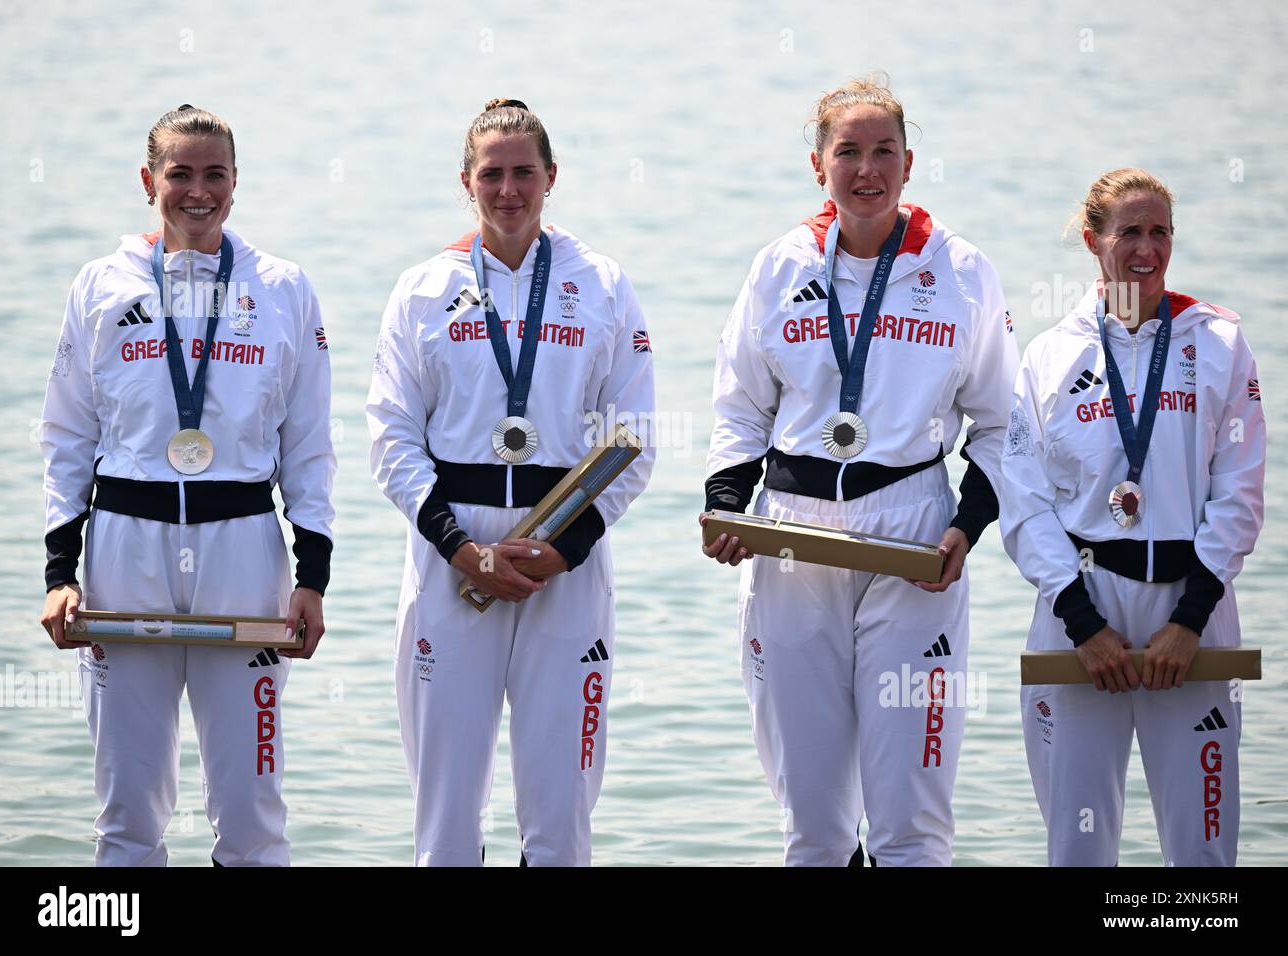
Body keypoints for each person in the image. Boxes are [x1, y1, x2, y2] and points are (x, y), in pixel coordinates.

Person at [701, 76, 1018, 866]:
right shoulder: (779, 267)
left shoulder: (962, 270)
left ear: (910, 164)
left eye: (884, 152)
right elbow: (740, 409)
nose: (866, 170)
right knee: (813, 827)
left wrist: (965, 528)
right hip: (791, 541)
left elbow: (1004, 424)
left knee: (911, 820)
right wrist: (726, 503)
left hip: (912, 544)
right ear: (819, 165)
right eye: (848, 151)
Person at [38, 105, 335, 867]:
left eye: (214, 175)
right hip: (122, 555)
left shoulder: (283, 288)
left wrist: (314, 578)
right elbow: (68, 437)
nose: (196, 192)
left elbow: (308, 447)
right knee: (127, 815)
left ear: (236, 183)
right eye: (180, 174)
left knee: (252, 815)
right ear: (149, 181)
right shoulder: (100, 285)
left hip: (243, 554)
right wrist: (57, 574)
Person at [366, 98, 655, 867]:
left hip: (562, 559)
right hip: (451, 560)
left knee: (559, 820)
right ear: (466, 180)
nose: (508, 190)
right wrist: (462, 550)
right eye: (491, 173)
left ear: (551, 177)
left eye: (524, 172)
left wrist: (565, 550)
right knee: (447, 821)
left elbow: (634, 442)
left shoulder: (601, 284)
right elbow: (390, 438)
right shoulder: (422, 289)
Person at [999, 168, 1264, 866]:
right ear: (1093, 240)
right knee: (1078, 852)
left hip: (1193, 612)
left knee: (1204, 859)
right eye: (1129, 233)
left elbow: (1240, 492)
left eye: (1161, 232)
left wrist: (1190, 619)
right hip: (1080, 612)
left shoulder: (1221, 344)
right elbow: (1024, 506)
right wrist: (1083, 627)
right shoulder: (1049, 356)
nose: (1146, 250)